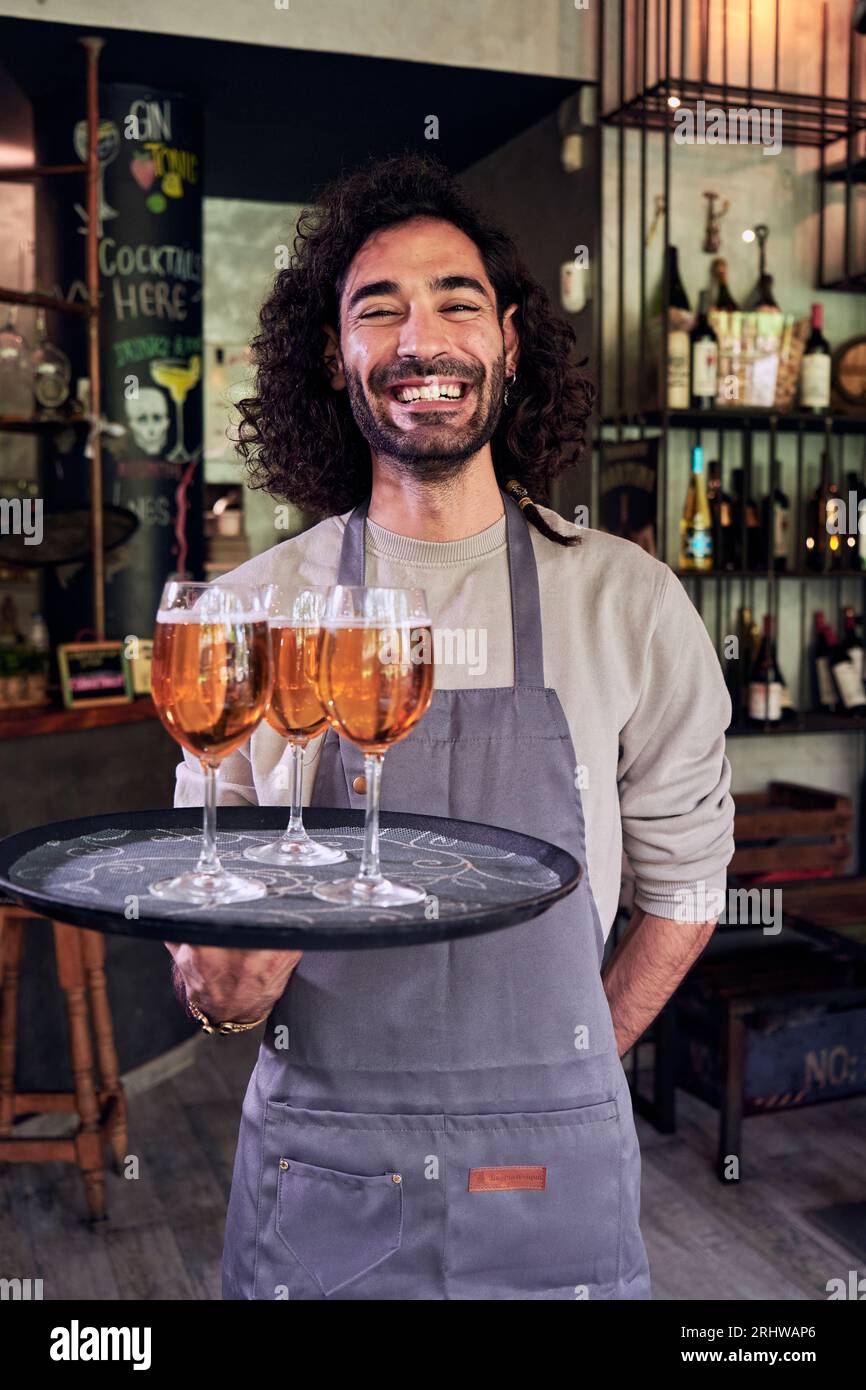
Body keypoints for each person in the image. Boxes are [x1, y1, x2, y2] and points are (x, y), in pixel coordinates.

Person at [167, 153, 734, 1301]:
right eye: (378, 310)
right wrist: (222, 988)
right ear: (336, 359)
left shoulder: (629, 602)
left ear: (509, 343)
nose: (420, 339)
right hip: (324, 1171)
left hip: (547, 1175)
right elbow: (211, 946)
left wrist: (565, 1073)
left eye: (455, 302)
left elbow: (683, 890)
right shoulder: (247, 613)